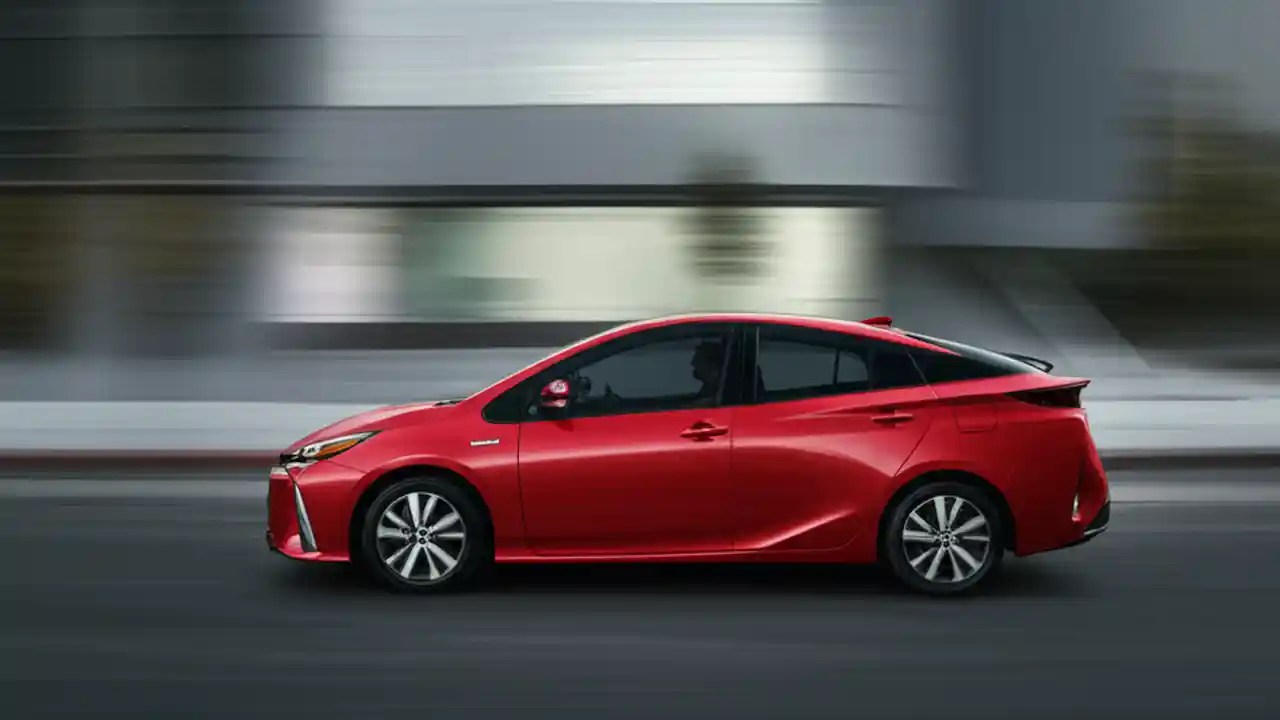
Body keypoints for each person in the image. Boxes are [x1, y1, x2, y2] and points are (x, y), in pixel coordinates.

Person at [689, 339, 726, 404]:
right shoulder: (709, 385)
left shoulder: (721, 386)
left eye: (698, 360)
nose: (692, 363)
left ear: (712, 363)